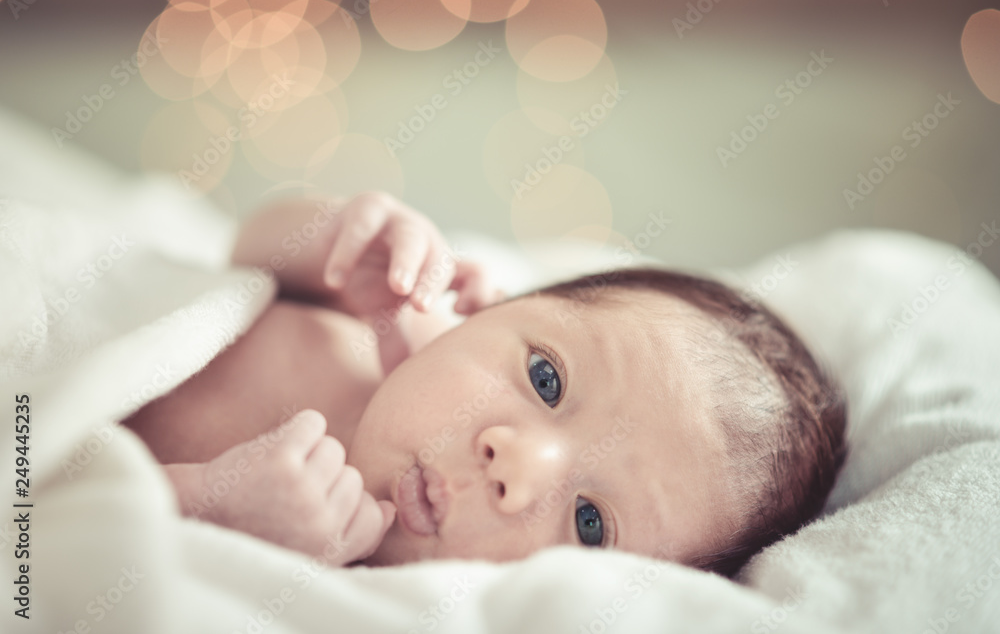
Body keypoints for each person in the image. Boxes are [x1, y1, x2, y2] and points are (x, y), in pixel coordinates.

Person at [123, 191, 846, 576]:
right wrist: (332, 243)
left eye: (590, 524)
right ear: (497, 308)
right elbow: (241, 253)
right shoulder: (395, 322)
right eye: (545, 378)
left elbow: (32, 519)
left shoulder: (358, 585)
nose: (517, 466)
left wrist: (202, 508)